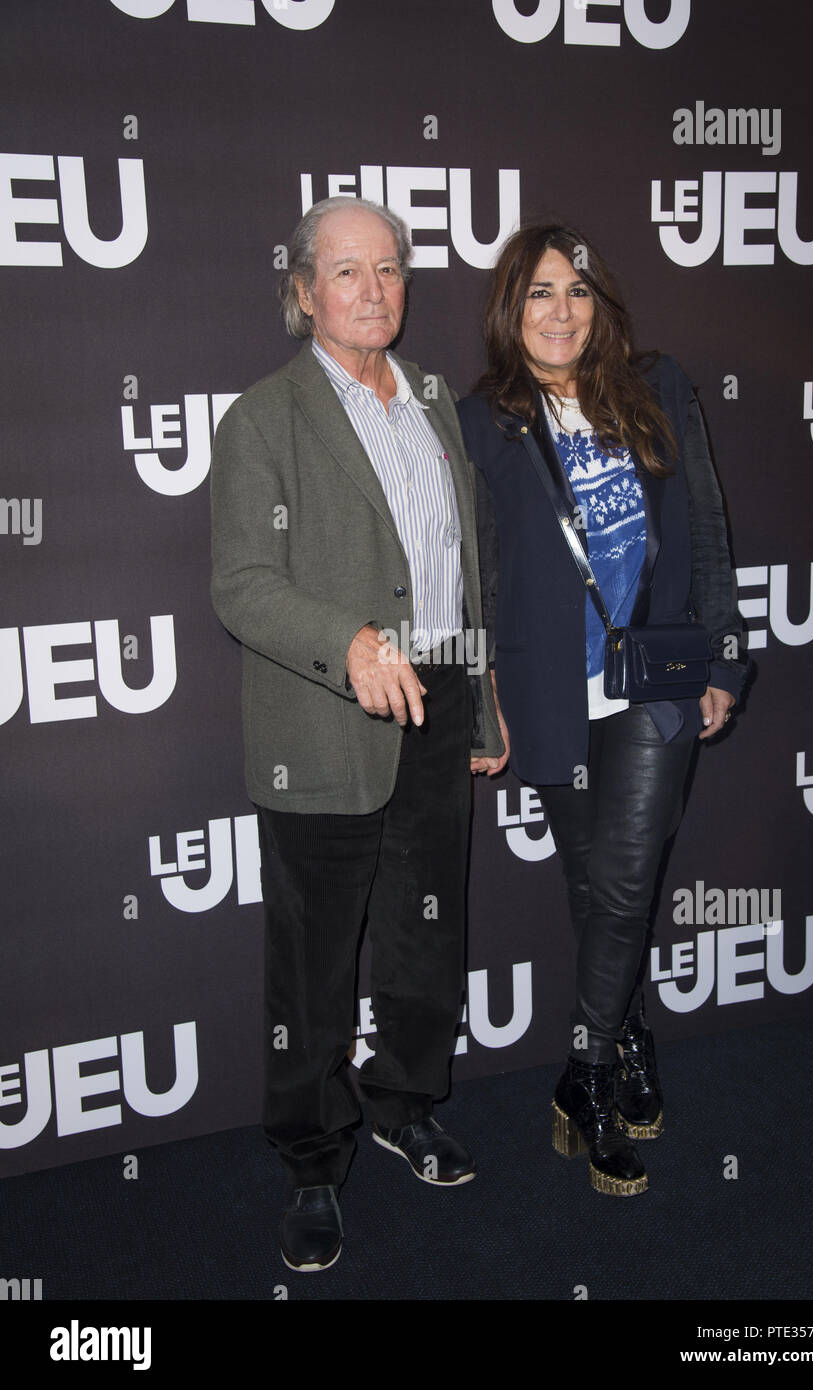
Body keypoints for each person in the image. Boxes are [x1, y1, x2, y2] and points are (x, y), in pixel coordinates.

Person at [210, 196, 504, 1270]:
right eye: (346, 272)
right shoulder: (262, 419)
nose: (373, 290)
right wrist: (353, 645)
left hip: (438, 705)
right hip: (324, 718)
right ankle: (312, 1158)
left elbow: (465, 570)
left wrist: (483, 698)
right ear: (301, 291)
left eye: (388, 269)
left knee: (427, 936)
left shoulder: (434, 400)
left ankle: (404, 1102)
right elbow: (242, 584)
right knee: (314, 966)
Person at [459, 223, 749, 1197]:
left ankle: (581, 1079)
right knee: (595, 895)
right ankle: (627, 1040)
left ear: (602, 305)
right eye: (539, 292)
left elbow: (704, 523)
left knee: (623, 888)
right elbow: (471, 571)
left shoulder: (657, 387)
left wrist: (721, 655)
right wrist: (479, 689)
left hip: (655, 682)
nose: (560, 311)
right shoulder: (484, 419)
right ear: (511, 308)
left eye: (577, 291)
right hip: (550, 690)